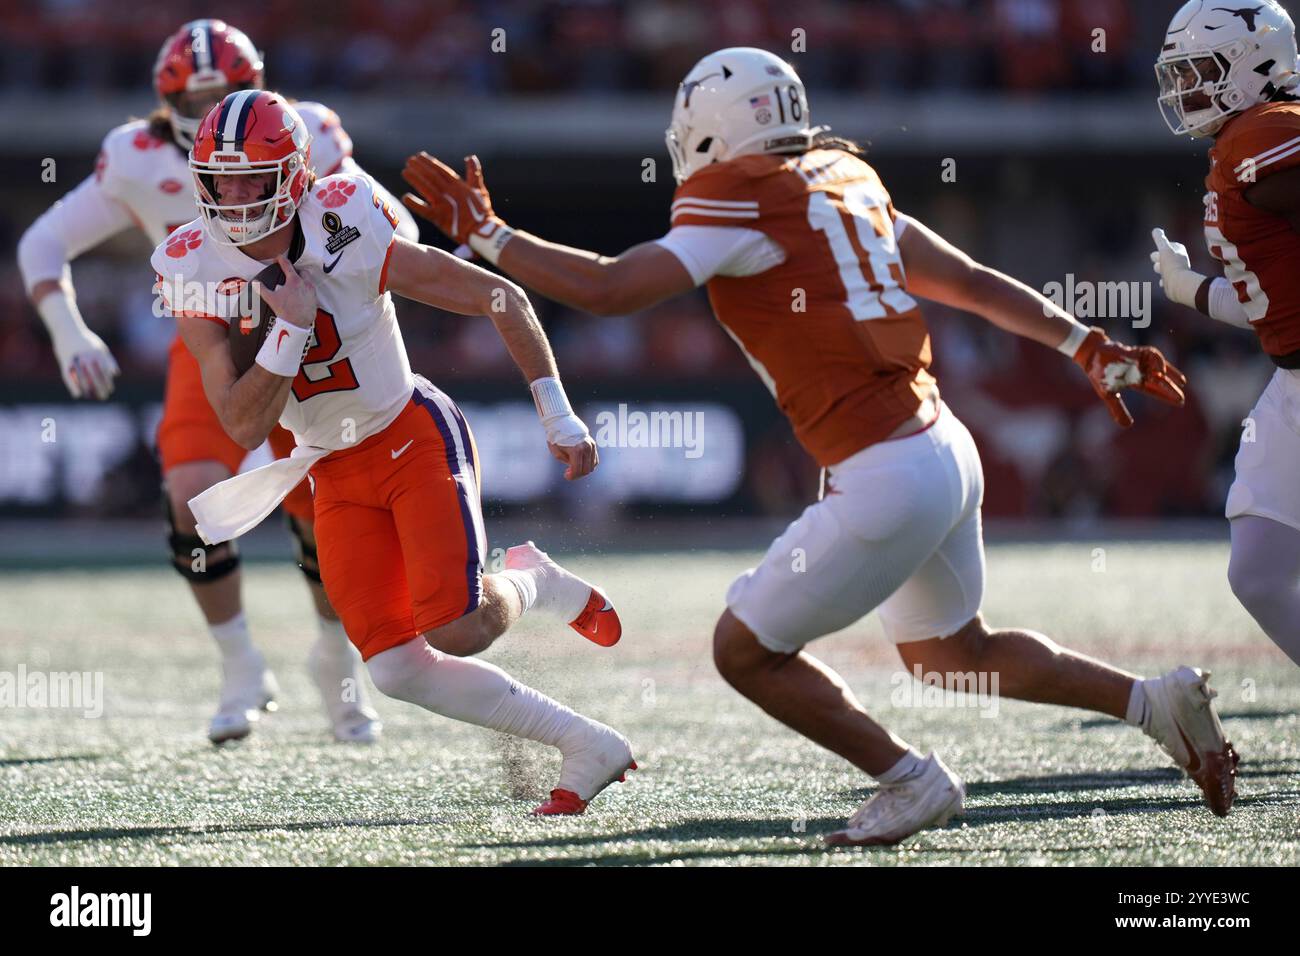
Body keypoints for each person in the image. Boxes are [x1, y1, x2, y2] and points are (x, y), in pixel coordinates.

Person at [401, 47, 1238, 844]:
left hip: (885, 471)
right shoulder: (847, 176)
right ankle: (1152, 703)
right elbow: (969, 281)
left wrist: (492, 238)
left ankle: (909, 777)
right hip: (943, 445)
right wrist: (1086, 344)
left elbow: (614, 290)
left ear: (712, 133)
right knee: (953, 653)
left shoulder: (741, 193)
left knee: (745, 651)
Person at [153, 90, 634, 815]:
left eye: (255, 177)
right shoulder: (189, 263)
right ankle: (588, 743)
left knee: (459, 629)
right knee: (395, 669)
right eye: (223, 179)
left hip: (407, 433)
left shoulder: (343, 218)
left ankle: (533, 582)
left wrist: (557, 411)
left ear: (295, 174)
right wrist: (289, 330)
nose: (238, 195)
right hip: (329, 466)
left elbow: (501, 297)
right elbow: (243, 425)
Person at [17, 19, 417, 744]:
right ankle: (240, 664)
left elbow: (398, 234)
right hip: (208, 329)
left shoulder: (304, 132)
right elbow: (45, 241)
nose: (214, 121)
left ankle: (335, 657)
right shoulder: (136, 157)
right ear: (165, 106)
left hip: (311, 334)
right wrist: (69, 330)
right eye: (196, 102)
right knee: (189, 497)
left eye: (228, 96)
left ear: (258, 90)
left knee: (322, 513)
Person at [1150, 0, 1300, 669]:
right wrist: (1190, 291)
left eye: (1201, 70)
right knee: (1259, 574)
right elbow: (1273, 308)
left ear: (1256, 64)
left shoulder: (1267, 132)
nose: (1185, 89)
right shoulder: (1240, 144)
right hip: (1291, 380)